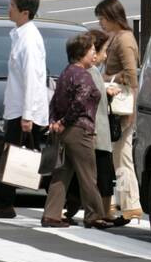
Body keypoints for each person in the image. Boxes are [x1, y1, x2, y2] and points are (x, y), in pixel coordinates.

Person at [0, 0, 48, 220]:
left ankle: (5, 204)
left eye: (11, 5)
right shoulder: (21, 35)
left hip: (24, 111)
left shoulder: (28, 40)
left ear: (25, 12)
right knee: (18, 156)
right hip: (18, 108)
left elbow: (32, 78)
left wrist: (28, 114)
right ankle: (4, 203)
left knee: (24, 157)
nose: (8, 9)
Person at [43, 32, 114, 229]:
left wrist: (55, 122)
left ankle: (51, 215)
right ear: (81, 53)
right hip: (80, 129)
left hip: (64, 132)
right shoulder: (83, 75)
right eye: (91, 50)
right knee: (88, 174)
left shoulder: (66, 72)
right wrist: (64, 121)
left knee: (62, 173)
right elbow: (81, 102)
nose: (94, 54)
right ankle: (94, 215)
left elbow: (54, 101)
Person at [95, 0, 143, 223]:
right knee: (119, 157)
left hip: (123, 106)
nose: (101, 23)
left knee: (122, 158)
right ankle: (125, 204)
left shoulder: (124, 40)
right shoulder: (119, 37)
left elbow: (132, 76)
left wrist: (106, 77)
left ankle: (129, 204)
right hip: (120, 106)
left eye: (103, 18)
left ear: (113, 17)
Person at [65, 28, 119, 226]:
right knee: (98, 176)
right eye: (102, 50)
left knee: (82, 175)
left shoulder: (84, 71)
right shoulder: (90, 72)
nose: (103, 55)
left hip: (92, 130)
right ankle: (100, 213)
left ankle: (82, 211)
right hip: (95, 131)